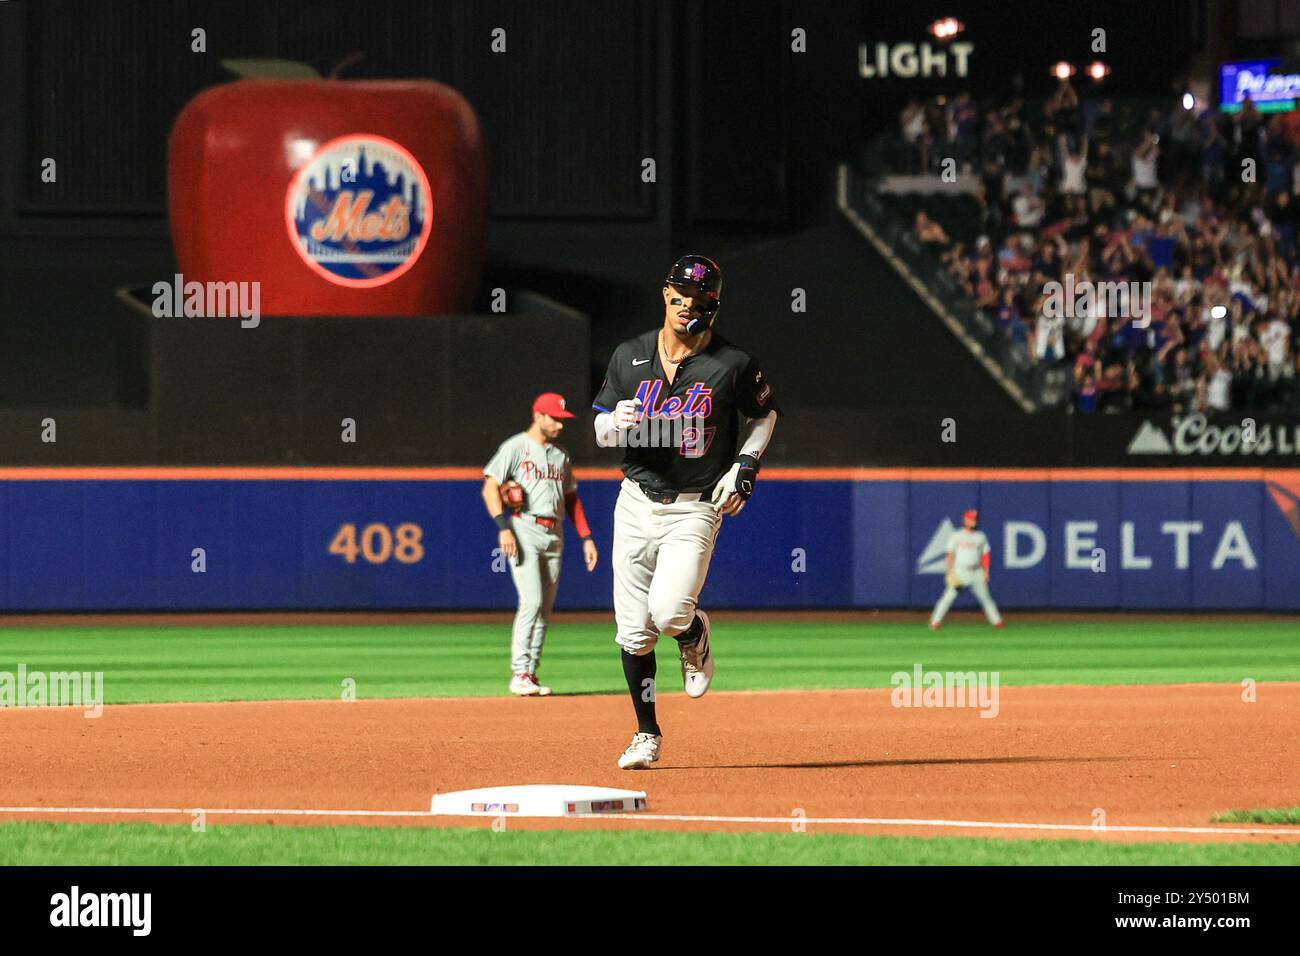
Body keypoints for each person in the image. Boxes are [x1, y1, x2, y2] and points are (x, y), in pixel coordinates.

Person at [591, 255, 780, 770]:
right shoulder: (629, 355)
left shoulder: (733, 363)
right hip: (634, 500)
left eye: (697, 300)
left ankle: (693, 632)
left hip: (694, 507)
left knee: (669, 612)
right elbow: (602, 432)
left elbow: (765, 415)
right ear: (665, 294)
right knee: (632, 631)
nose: (685, 305)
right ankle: (646, 733)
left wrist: (744, 463)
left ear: (711, 307)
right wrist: (615, 423)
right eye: (678, 295)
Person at [482, 393, 598, 697]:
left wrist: (586, 537)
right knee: (531, 602)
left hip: (555, 533)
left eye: (562, 419)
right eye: (555, 418)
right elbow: (490, 486)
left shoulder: (561, 455)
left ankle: (530, 673)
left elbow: (572, 500)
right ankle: (519, 671)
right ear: (538, 416)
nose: (560, 424)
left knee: (544, 609)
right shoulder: (516, 447)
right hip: (524, 529)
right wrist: (504, 528)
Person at [929, 509, 1003, 630]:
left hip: (976, 571)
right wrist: (949, 571)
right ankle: (935, 622)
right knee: (948, 597)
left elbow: (985, 555)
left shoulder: (981, 536)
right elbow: (950, 554)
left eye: (974, 519)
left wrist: (986, 571)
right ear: (965, 520)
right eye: (970, 519)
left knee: (986, 598)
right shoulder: (956, 536)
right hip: (960, 571)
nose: (973, 521)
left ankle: (997, 622)